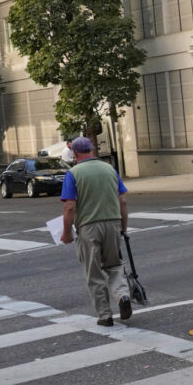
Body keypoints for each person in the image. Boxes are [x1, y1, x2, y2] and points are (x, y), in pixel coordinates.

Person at [59, 136, 130, 326]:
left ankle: (105, 316)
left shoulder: (73, 174)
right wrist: (123, 225)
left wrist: (66, 232)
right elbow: (123, 201)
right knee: (115, 265)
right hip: (113, 222)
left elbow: (70, 207)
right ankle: (123, 296)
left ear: (74, 153)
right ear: (92, 150)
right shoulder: (110, 170)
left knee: (94, 271)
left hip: (88, 227)